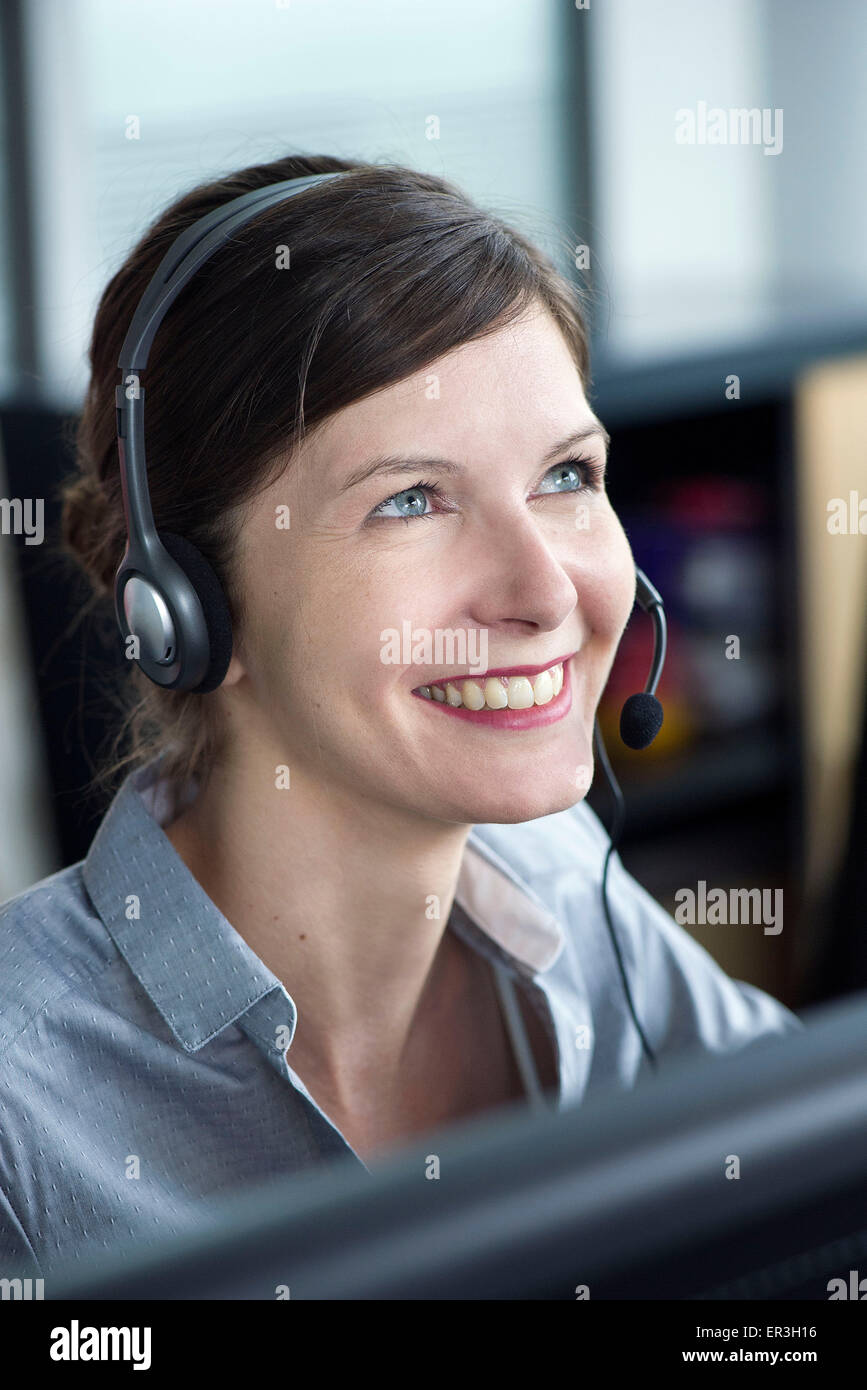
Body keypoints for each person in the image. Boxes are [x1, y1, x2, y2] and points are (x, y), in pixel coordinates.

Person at [0, 154, 801, 1280]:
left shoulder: (562, 883)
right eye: (411, 501)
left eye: (567, 476)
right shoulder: (24, 1122)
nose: (546, 594)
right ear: (189, 605)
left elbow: (818, 1175)